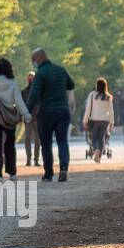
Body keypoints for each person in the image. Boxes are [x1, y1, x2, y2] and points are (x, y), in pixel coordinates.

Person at [28, 48, 76, 182]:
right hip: (63, 111)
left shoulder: (41, 73)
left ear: (38, 59)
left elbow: (34, 94)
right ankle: (64, 169)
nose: (33, 63)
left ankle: (48, 173)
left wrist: (26, 110)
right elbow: (71, 84)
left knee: (46, 143)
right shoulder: (61, 70)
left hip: (47, 112)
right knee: (62, 141)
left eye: (33, 60)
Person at [82, 78, 114, 163]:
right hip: (105, 121)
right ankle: (99, 154)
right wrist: (112, 123)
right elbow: (111, 111)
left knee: (94, 137)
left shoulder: (92, 95)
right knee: (102, 138)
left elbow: (88, 108)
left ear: (97, 85)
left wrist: (85, 120)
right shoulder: (108, 97)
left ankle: (96, 150)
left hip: (94, 120)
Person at [21, 70, 41, 167]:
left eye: (32, 77)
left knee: (38, 140)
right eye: (29, 77)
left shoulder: (39, 91)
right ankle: (28, 159)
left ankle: (36, 160)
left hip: (37, 118)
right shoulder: (24, 92)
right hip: (28, 118)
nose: (30, 79)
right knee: (27, 139)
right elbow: (21, 105)